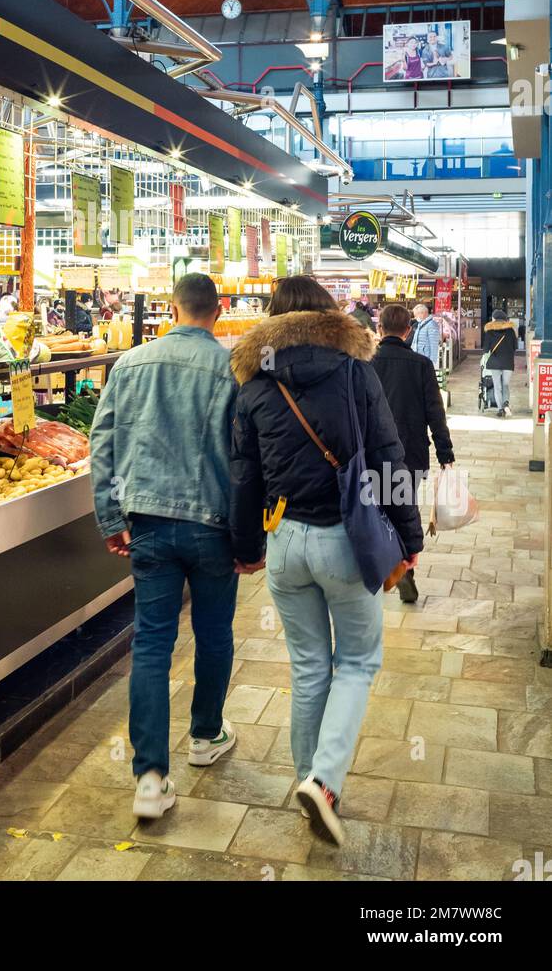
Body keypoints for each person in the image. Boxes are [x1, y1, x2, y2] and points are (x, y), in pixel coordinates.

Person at [230, 276, 422, 848]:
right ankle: (324, 781)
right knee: (358, 662)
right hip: (346, 538)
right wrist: (408, 538)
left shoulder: (253, 383)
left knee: (310, 668)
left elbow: (244, 475)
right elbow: (390, 455)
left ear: (272, 318)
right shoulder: (355, 372)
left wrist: (245, 548)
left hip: (285, 538)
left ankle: (306, 780)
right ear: (329, 316)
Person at [90, 274, 239, 820]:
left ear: (170, 309)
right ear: (217, 310)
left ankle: (150, 778)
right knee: (214, 631)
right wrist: (250, 536)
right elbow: (246, 460)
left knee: (151, 643)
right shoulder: (232, 370)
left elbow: (101, 444)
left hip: (147, 523)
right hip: (213, 526)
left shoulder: (129, 365)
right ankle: (205, 736)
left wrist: (110, 517)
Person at [372, 303, 454, 604]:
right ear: (409, 330)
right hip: (410, 453)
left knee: (378, 509)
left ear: (380, 329)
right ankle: (404, 566)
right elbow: (435, 412)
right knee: (404, 506)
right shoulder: (421, 365)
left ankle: (383, 565)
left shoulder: (365, 364)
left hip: (373, 453)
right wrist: (445, 452)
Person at [482, 308, 518, 417]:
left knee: (497, 386)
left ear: (494, 319)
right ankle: (506, 403)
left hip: (495, 362)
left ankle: (500, 408)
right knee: (505, 384)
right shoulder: (511, 330)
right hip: (508, 362)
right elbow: (515, 347)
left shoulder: (489, 331)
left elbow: (486, 349)